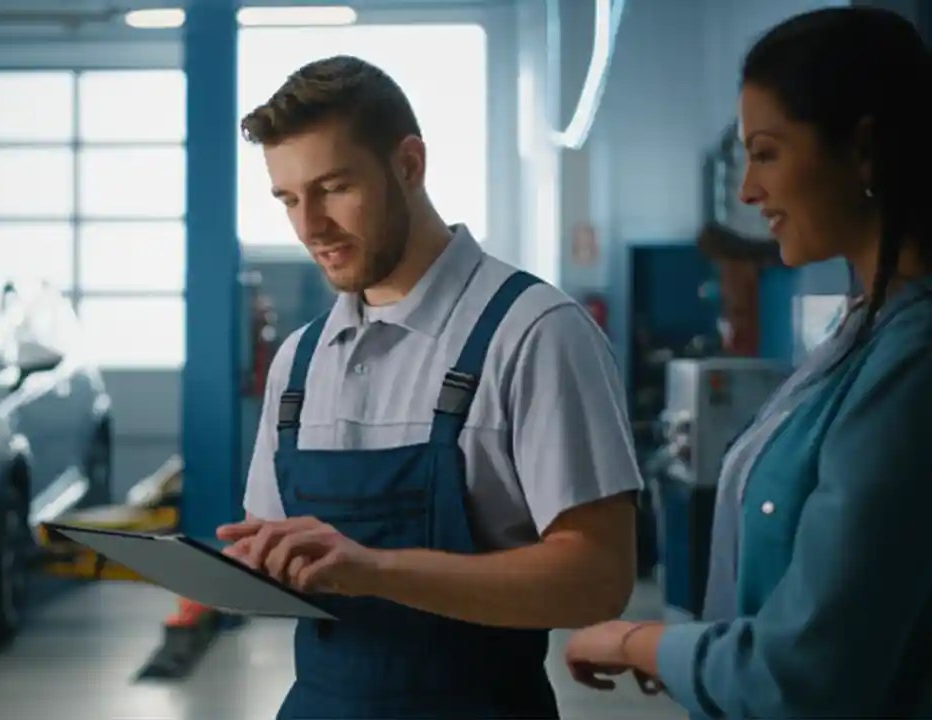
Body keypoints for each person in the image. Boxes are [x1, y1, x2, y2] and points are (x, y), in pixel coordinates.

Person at [214, 55, 643, 719]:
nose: (309, 227)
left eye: (332, 188)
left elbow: (599, 579)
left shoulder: (534, 334)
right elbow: (275, 547)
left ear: (409, 165)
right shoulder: (300, 363)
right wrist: (248, 565)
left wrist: (376, 569)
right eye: (289, 199)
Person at [564, 7, 932, 718]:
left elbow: (802, 670)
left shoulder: (912, 366)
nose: (747, 192)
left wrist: (639, 642)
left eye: (767, 152)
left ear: (863, 150)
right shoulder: (862, 335)